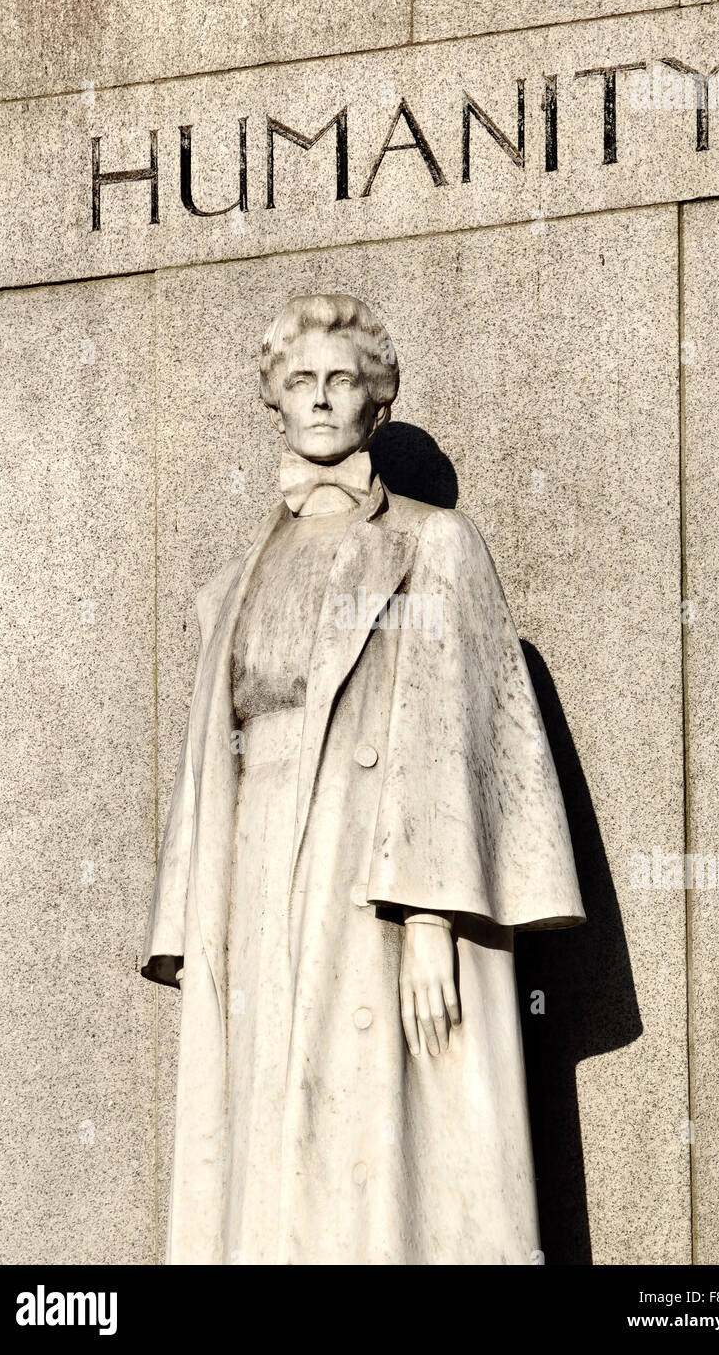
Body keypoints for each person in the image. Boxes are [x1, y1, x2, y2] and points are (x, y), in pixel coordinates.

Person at [141, 292, 586, 1264]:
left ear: (375, 401)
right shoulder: (236, 577)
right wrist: (194, 919)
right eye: (301, 379)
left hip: (373, 870)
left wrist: (431, 916)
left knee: (378, 1132)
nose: (321, 398)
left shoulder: (435, 542)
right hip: (256, 872)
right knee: (263, 1128)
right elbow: (213, 754)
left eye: (342, 379)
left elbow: (450, 729)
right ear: (274, 398)